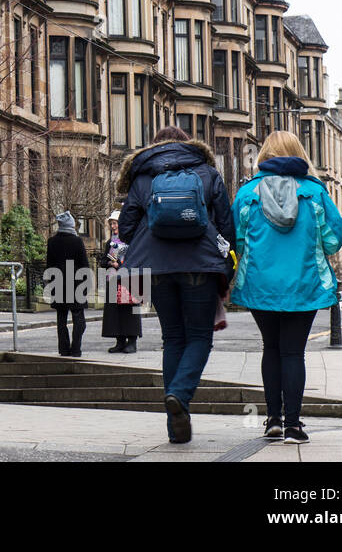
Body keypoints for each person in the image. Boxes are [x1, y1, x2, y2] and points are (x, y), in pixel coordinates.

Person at [117, 125, 235, 444]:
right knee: (199, 335)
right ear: (190, 145)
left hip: (156, 269)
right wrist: (224, 266)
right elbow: (227, 224)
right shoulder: (208, 173)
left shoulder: (143, 178)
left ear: (154, 147)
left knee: (172, 338)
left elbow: (125, 229)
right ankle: (180, 396)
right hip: (199, 265)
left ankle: (175, 424)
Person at [231, 132, 342, 444]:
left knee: (271, 349)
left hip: (260, 284)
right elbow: (334, 240)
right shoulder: (314, 192)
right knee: (294, 352)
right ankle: (294, 425)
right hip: (304, 283)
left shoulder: (247, 193)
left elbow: (237, 241)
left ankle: (273, 420)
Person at [46, 210, 90, 357]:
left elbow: (49, 266)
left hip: (57, 283)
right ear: (71, 225)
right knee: (79, 319)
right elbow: (84, 264)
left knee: (61, 319)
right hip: (76, 283)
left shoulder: (51, 242)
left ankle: (64, 349)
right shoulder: (77, 241)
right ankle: (76, 349)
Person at [101, 210, 142, 353]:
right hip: (113, 279)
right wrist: (110, 263)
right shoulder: (109, 243)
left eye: (115, 223)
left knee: (130, 310)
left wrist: (121, 264)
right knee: (115, 312)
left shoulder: (132, 240)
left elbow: (137, 258)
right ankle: (119, 341)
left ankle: (132, 341)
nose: (113, 226)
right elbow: (103, 260)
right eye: (111, 223)